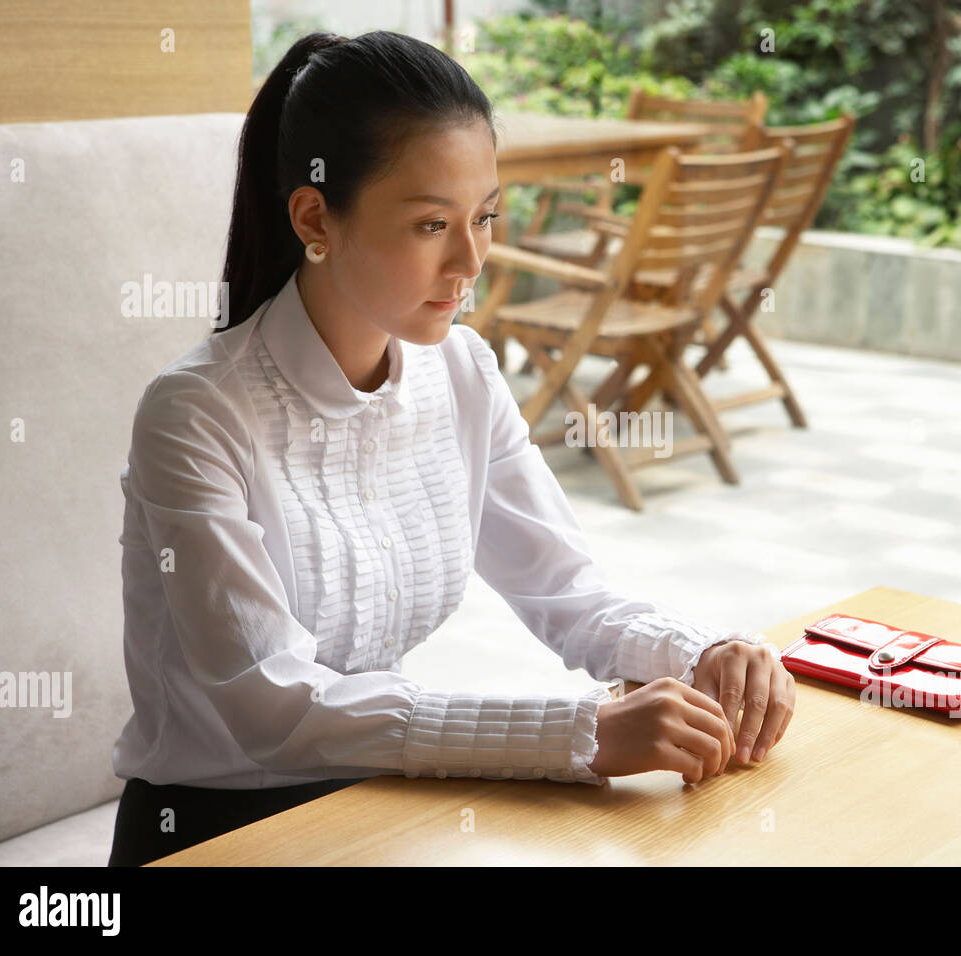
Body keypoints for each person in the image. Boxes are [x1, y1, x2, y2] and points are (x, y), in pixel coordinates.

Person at [107, 29, 795, 867]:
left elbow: (567, 591)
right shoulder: (196, 414)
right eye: (433, 223)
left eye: (485, 217)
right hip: (213, 830)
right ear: (316, 217)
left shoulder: (463, 372)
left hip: (380, 799)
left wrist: (701, 654)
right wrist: (581, 734)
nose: (472, 260)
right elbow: (276, 709)